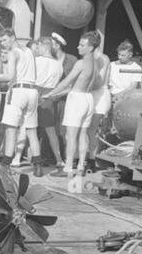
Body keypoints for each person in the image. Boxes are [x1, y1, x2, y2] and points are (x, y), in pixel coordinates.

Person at [44, 31, 102, 181]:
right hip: (88, 98)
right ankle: (81, 166)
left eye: (82, 45)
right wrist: (59, 93)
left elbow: (67, 81)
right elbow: (80, 84)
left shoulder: (81, 63)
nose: (78, 47)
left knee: (71, 135)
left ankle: (68, 167)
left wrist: (50, 94)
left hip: (77, 100)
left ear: (90, 48)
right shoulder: (94, 64)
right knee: (83, 134)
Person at [0, 32, 40, 167]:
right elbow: (35, 73)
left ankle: (6, 162)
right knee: (31, 130)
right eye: (1, 41)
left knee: (11, 128)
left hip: (18, 90)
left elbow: (9, 76)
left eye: (4, 39)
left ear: (13, 38)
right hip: (32, 90)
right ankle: (37, 165)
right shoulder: (30, 51)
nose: (2, 43)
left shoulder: (12, 53)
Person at [33, 37, 64, 168]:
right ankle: (59, 160)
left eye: (38, 47)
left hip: (36, 92)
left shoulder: (36, 61)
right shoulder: (58, 64)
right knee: (51, 131)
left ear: (44, 46)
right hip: (50, 96)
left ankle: (24, 158)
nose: (37, 49)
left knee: (29, 128)